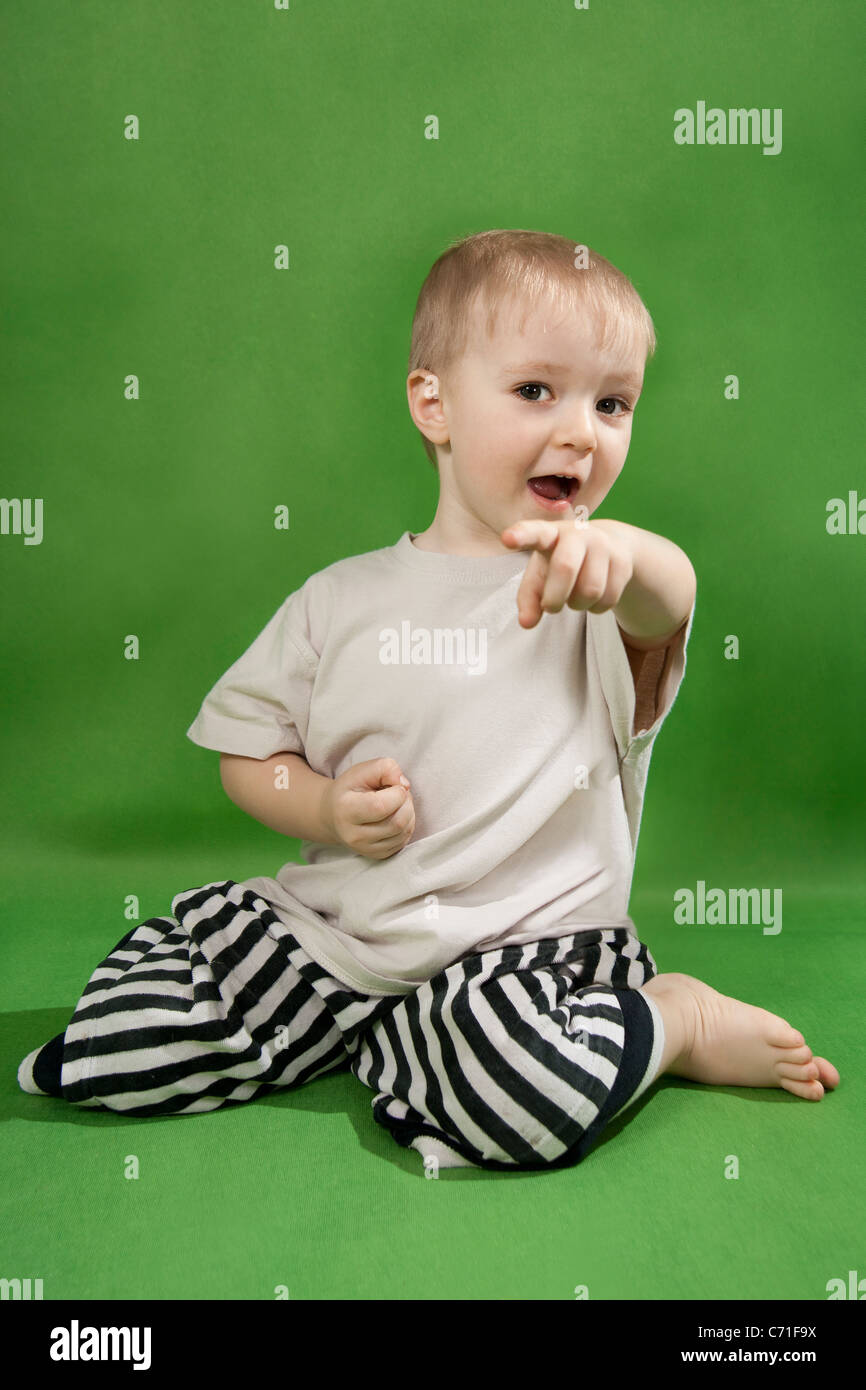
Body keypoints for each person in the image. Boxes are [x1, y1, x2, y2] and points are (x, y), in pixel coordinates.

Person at [17, 229, 838, 1170]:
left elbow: (669, 599)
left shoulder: (595, 594)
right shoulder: (339, 599)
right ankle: (383, 1035)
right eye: (537, 390)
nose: (581, 430)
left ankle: (670, 1019)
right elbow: (247, 752)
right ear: (434, 403)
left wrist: (634, 559)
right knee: (116, 1038)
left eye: (613, 403)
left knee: (521, 1097)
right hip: (336, 936)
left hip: (527, 959)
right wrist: (321, 804)